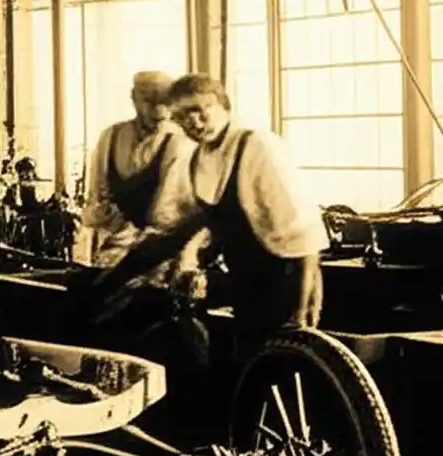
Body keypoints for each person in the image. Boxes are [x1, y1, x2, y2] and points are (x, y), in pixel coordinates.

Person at [151, 73, 326, 352]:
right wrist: (187, 256)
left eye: (200, 110)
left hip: (285, 278)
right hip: (244, 280)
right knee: (244, 360)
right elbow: (198, 220)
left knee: (278, 362)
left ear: (224, 106)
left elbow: (304, 231)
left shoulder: (259, 146)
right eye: (182, 116)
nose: (193, 122)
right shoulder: (197, 158)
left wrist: (304, 304)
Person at [84, 71, 194, 268]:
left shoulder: (178, 144)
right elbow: (95, 199)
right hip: (109, 250)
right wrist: (102, 213)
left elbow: (165, 217)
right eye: (150, 101)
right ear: (134, 98)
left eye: (165, 102)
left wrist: (131, 238)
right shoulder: (110, 137)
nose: (158, 110)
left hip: (157, 256)